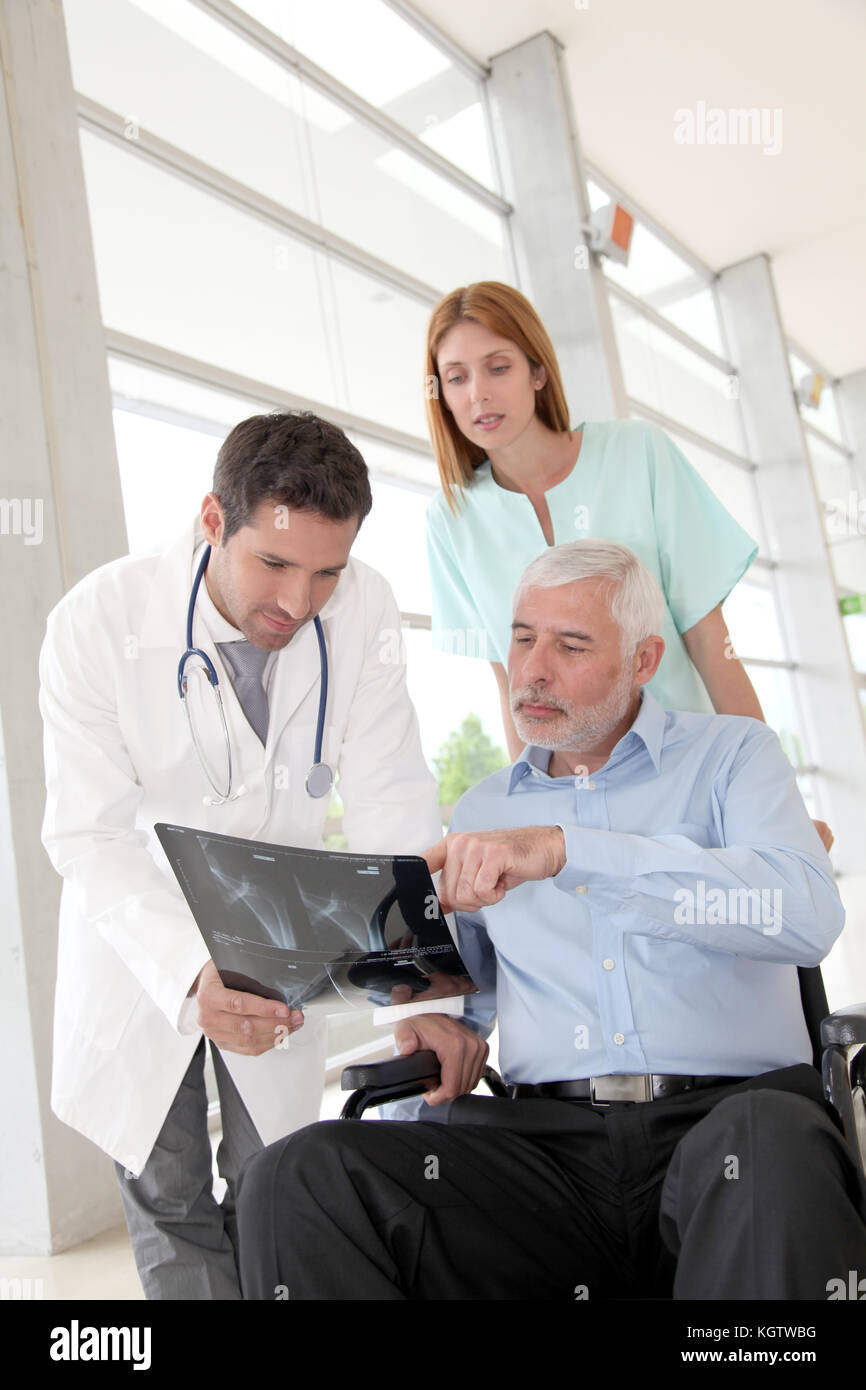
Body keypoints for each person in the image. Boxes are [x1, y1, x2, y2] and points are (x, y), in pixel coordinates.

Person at [234, 540, 866, 1300]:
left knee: (768, 1147)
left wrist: (571, 852)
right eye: (523, 637)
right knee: (296, 1175)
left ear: (643, 661)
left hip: (731, 1126)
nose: (533, 670)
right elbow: (460, 995)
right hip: (547, 1157)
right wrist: (443, 1021)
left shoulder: (733, 758)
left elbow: (804, 913)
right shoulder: (484, 811)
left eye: (570, 645)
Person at [38, 410, 442, 1300]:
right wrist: (188, 976)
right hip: (143, 951)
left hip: (279, 944)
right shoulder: (98, 622)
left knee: (280, 1190)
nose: (298, 604)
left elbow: (391, 800)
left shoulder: (364, 606)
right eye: (275, 564)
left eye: (325, 572)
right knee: (170, 1197)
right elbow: (88, 835)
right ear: (213, 520)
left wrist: (419, 987)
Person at [423, 280, 834, 850]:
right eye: (457, 377)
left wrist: (775, 801)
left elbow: (712, 643)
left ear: (537, 372)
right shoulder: (451, 520)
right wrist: (534, 817)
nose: (478, 396)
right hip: (576, 811)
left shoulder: (639, 454)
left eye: (498, 368)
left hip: (692, 778)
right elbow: (509, 686)